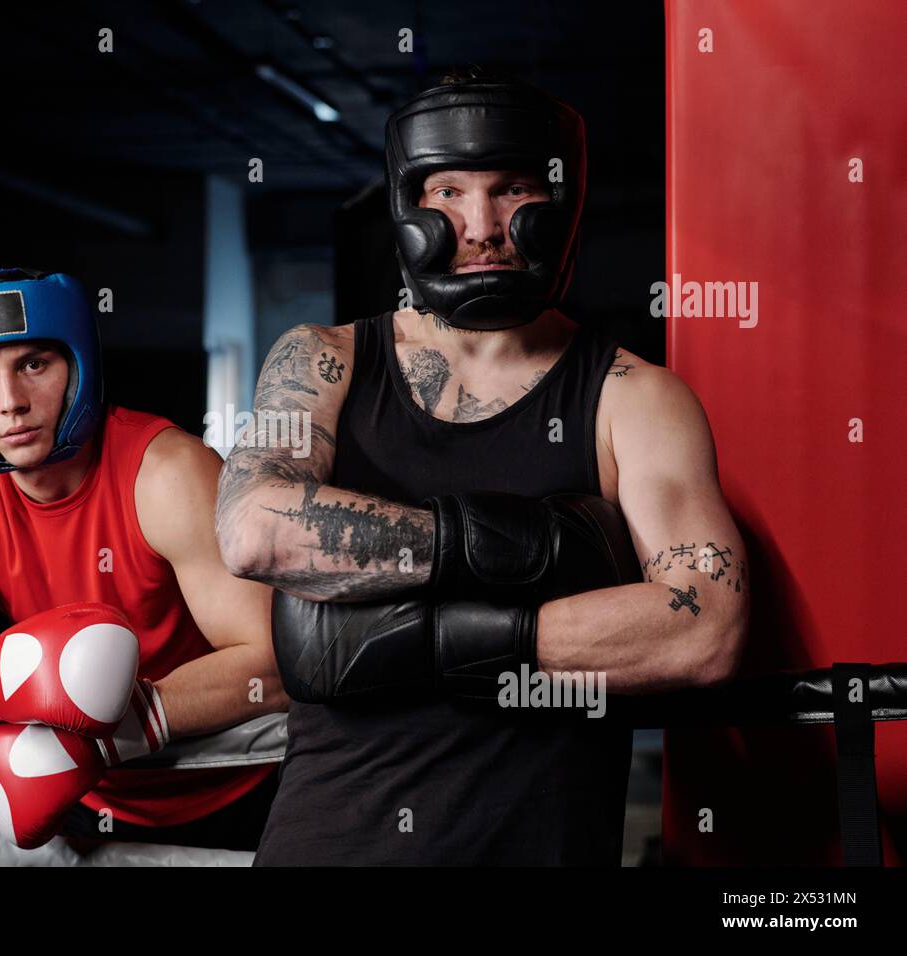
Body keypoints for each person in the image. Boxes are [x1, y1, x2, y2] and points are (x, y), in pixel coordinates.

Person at [216, 70, 750, 865]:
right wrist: (520, 553)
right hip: (330, 842)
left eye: (512, 190)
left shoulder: (633, 396)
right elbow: (256, 528)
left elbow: (707, 627)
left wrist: (440, 636)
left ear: (559, 204)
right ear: (408, 208)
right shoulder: (323, 360)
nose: (482, 226)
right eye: (448, 193)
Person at [0, 267, 285, 851]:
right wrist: (3, 682)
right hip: (85, 800)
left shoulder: (168, 471)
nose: (11, 404)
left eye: (33, 364)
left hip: (235, 784)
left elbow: (273, 667)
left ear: (80, 364)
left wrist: (100, 734)